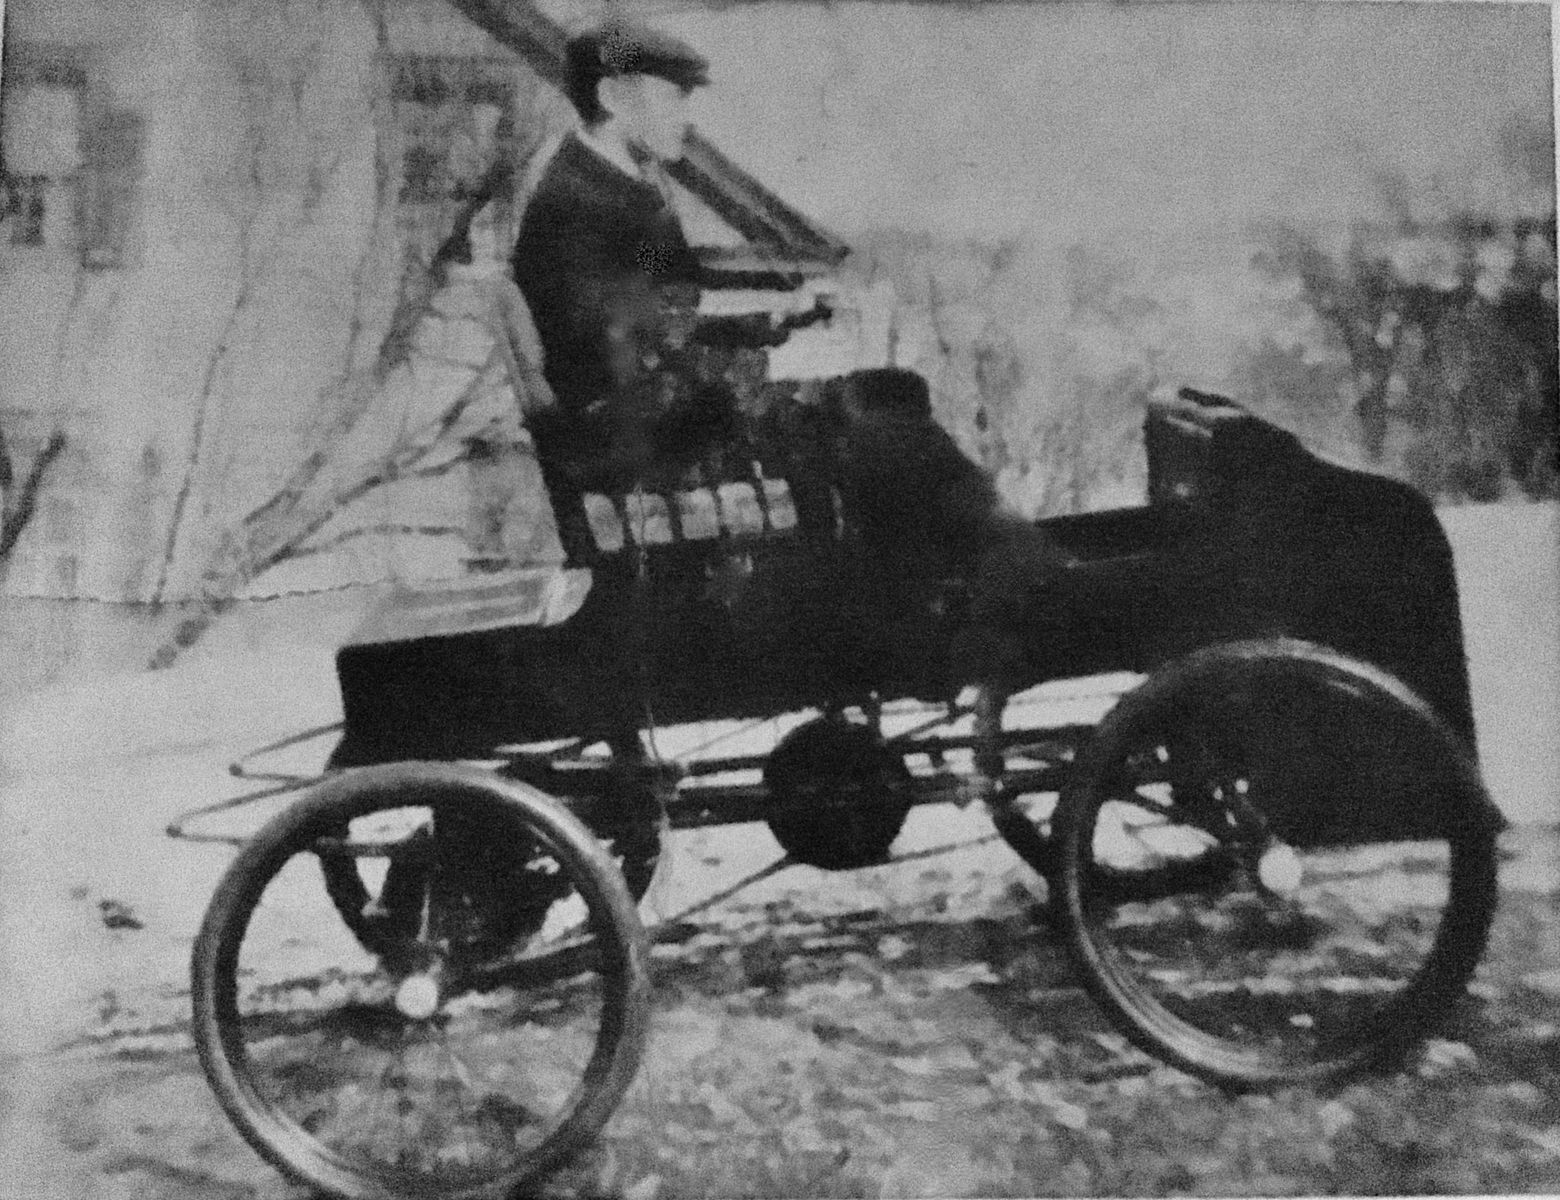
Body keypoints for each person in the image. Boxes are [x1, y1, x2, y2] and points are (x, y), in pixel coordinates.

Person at [506, 18, 829, 563]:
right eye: (674, 97)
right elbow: (637, 327)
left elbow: (672, 282)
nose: (686, 118)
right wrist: (775, 337)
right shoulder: (574, 206)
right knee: (835, 427)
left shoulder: (624, 185)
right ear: (611, 96)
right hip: (620, 427)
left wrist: (783, 312)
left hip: (654, 400)